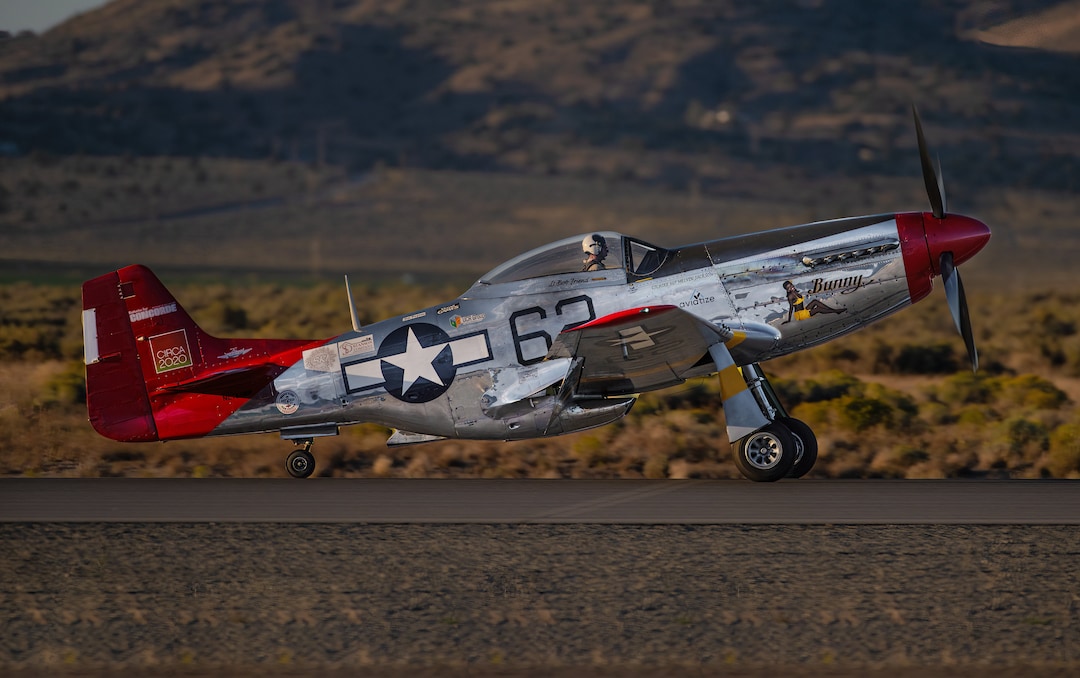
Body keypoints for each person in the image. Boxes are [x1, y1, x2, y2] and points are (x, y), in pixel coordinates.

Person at [781, 280, 846, 324]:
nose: (791, 287)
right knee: (818, 309)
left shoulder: (794, 291)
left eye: (791, 285)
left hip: (804, 310)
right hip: (800, 315)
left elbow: (790, 279)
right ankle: (836, 311)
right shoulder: (790, 296)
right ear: (787, 290)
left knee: (815, 301)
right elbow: (791, 309)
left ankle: (834, 310)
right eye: (789, 287)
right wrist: (789, 320)